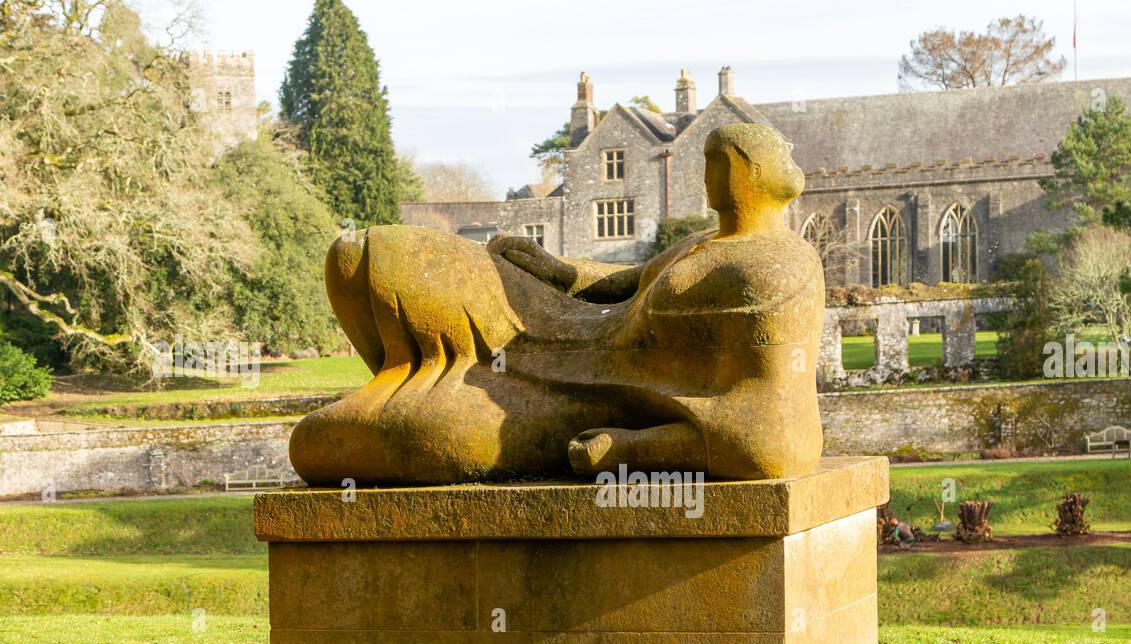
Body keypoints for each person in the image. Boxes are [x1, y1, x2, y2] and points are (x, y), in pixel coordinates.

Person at [290, 123, 825, 487]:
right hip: (551, 318)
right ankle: (400, 372)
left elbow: (774, 439)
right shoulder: (706, 241)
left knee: (322, 445)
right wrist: (553, 269)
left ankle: (412, 385)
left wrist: (627, 450)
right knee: (361, 257)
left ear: (749, 174)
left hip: (573, 392)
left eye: (718, 162)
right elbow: (628, 282)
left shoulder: (777, 272)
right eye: (711, 161)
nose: (709, 176)